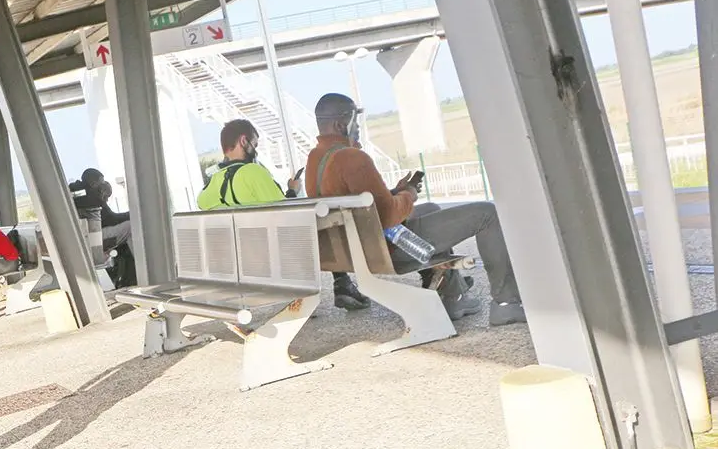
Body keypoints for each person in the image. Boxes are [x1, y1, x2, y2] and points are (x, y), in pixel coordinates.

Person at [304, 92, 525, 325]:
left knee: (431, 208)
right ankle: (506, 305)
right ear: (340, 125)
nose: (358, 127)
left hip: (352, 251)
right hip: (388, 251)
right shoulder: (352, 158)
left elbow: (356, 203)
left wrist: (394, 192)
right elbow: (388, 216)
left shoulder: (315, 158)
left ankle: (454, 296)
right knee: (487, 213)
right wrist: (408, 193)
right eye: (354, 120)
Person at [198, 119, 371, 311]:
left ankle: (333, 287)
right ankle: (342, 283)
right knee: (329, 223)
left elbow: (206, 203)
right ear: (243, 141)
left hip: (239, 262)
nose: (255, 151)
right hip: (272, 258)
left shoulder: (212, 183)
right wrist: (293, 191)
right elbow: (286, 211)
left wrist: (289, 192)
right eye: (255, 145)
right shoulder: (252, 171)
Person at [69, 168, 136, 289]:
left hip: (86, 239)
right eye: (101, 182)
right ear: (93, 183)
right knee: (130, 226)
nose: (103, 184)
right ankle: (141, 268)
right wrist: (134, 213)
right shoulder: (91, 195)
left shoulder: (77, 193)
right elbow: (112, 219)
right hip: (94, 239)